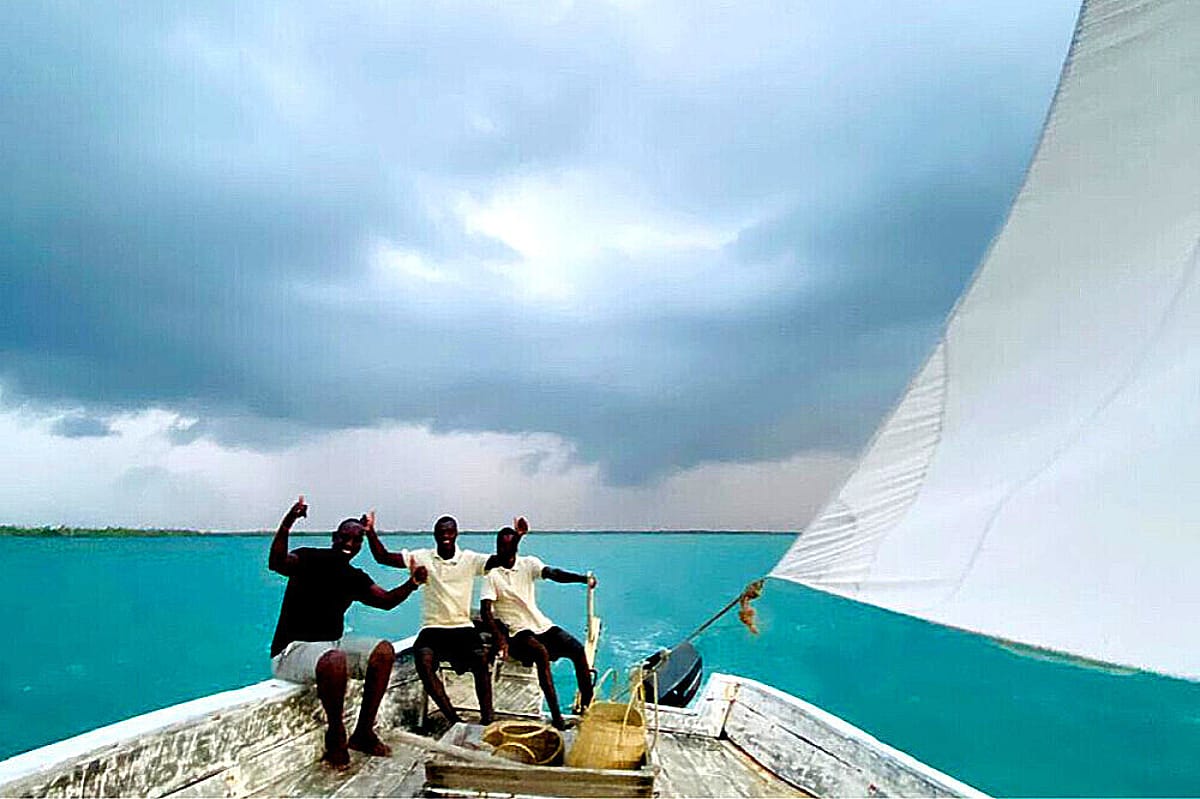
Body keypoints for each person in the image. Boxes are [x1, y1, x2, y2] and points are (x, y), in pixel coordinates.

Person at [268, 496, 426, 767]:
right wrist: (289, 521)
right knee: (334, 659)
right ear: (334, 537)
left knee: (383, 652)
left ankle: (363, 732)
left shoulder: (354, 576)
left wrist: (412, 583)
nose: (349, 545)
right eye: (344, 538)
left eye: (356, 541)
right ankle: (336, 735)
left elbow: (386, 601)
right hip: (291, 650)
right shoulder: (309, 557)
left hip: (331, 646)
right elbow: (277, 562)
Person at [366, 515, 501, 727]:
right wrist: (370, 531)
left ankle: (487, 720)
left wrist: (517, 538)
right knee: (423, 659)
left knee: (481, 661)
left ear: (456, 534)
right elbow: (382, 558)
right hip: (433, 628)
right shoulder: (421, 557)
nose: (445, 536)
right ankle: (454, 720)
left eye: (449, 532)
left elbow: (498, 561)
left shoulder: (470, 559)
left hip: (462, 627)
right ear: (435, 535)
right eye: (441, 532)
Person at [480, 516, 596, 730]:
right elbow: (486, 611)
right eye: (500, 546)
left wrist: (582, 579)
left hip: (540, 624)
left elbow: (554, 574)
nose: (503, 550)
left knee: (577, 650)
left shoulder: (528, 564)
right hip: (516, 633)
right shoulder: (491, 574)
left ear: (516, 545)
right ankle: (557, 719)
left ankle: (589, 710)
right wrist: (500, 639)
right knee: (541, 653)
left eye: (508, 545)